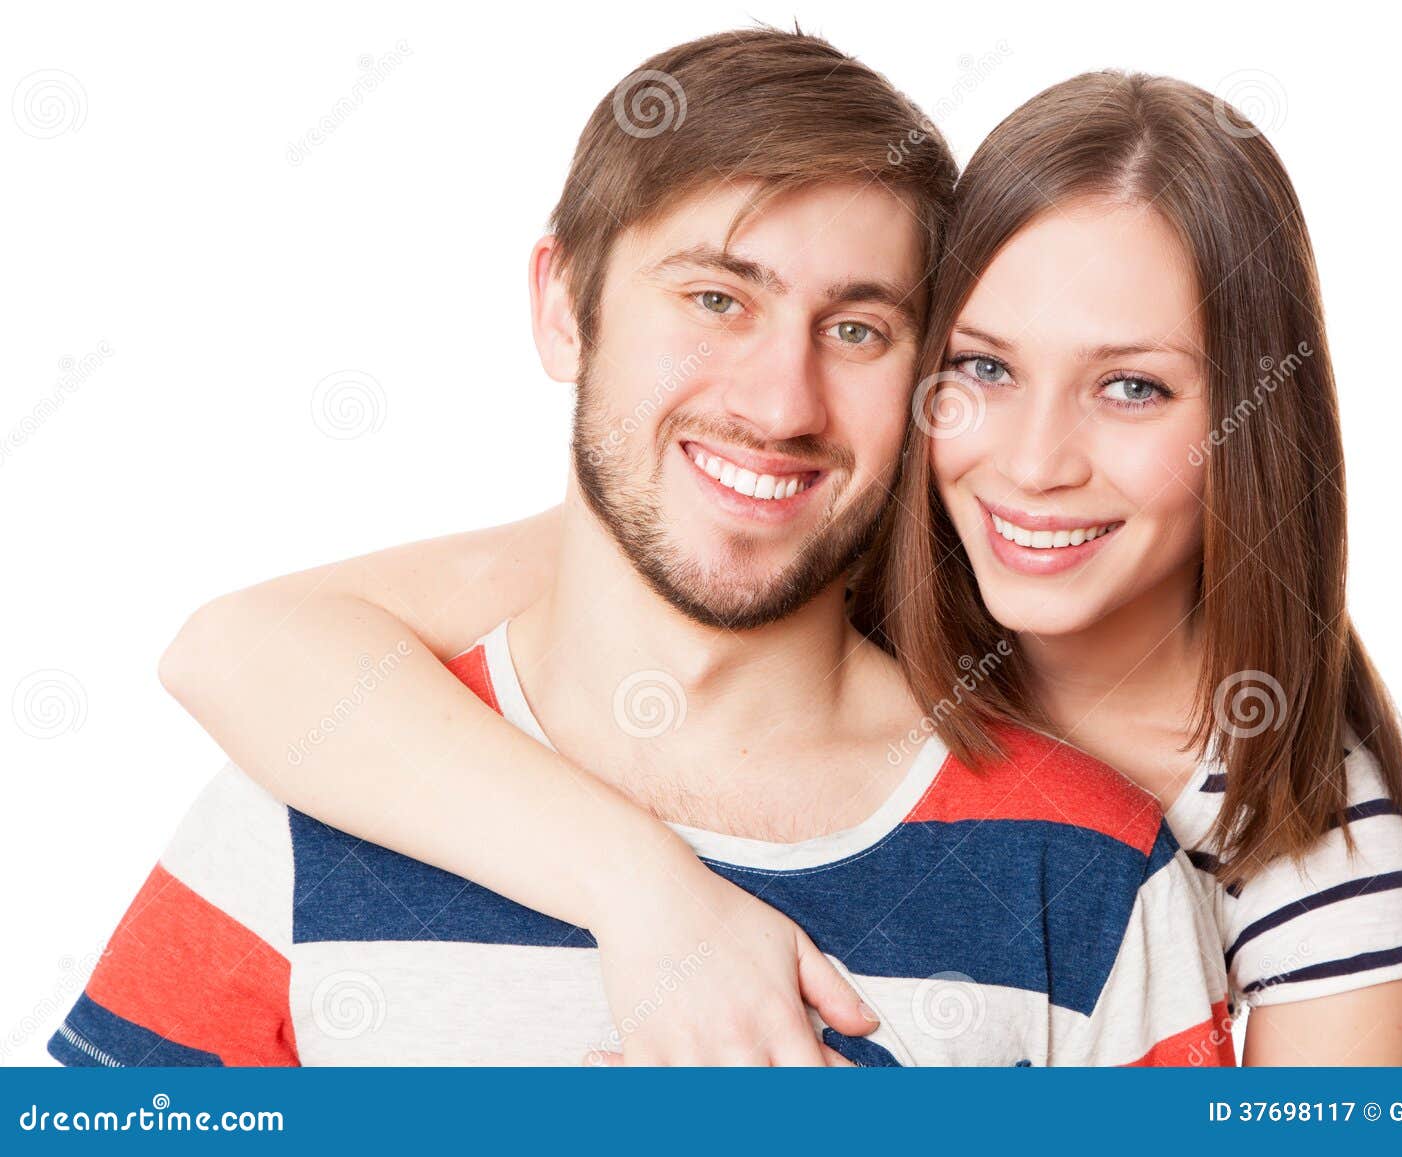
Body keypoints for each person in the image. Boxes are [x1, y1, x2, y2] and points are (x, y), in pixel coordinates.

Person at [49, 30, 1231, 1069]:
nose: (781, 403)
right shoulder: (303, 798)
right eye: (717, 298)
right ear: (565, 304)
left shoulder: (1082, 874)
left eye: (858, 328)